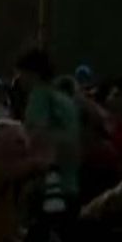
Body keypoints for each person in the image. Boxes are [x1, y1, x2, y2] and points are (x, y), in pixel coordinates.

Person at [15, 49, 81, 213]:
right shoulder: (64, 99)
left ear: (33, 74)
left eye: (21, 74)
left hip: (47, 188)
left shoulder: (39, 97)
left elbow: (35, 136)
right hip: (70, 183)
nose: (19, 79)